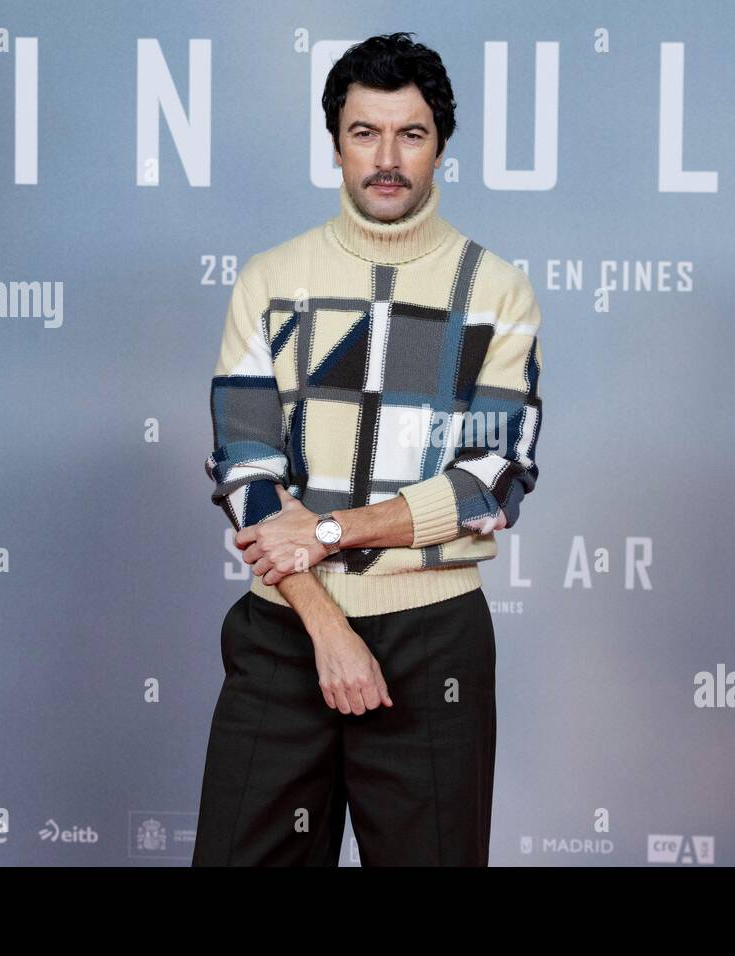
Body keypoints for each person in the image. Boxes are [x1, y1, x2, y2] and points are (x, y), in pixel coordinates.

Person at [191, 32, 543, 866]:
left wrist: (327, 531)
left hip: (433, 639)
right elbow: (247, 470)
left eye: (410, 134)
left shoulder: (493, 288)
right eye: (365, 133)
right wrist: (327, 625)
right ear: (336, 144)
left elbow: (488, 482)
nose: (387, 159)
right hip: (286, 631)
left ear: (440, 146)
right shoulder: (270, 280)